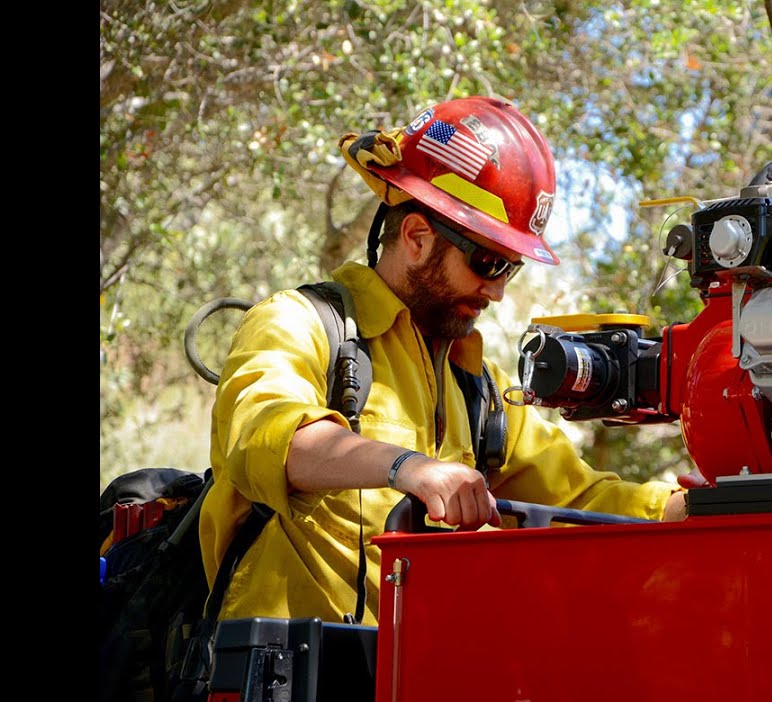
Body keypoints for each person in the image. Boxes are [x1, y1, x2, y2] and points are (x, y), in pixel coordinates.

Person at [198, 96, 692, 625]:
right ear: (415, 236)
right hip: (285, 688)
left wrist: (698, 510)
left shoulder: (478, 388)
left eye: (512, 269)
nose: (497, 290)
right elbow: (266, 439)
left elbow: (581, 497)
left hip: (412, 685)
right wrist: (408, 468)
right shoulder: (297, 324)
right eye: (487, 261)